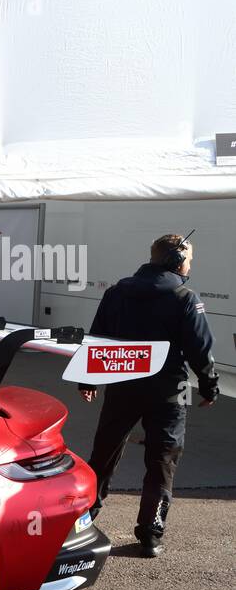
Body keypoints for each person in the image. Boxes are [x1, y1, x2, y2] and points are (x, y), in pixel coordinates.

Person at [81, 233, 219, 557]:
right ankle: (150, 535)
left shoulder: (116, 292)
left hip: (121, 386)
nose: (189, 266)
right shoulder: (185, 296)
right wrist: (210, 385)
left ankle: (82, 521)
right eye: (188, 260)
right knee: (162, 461)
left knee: (103, 456)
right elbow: (200, 349)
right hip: (168, 392)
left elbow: (98, 337)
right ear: (176, 260)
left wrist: (87, 380)